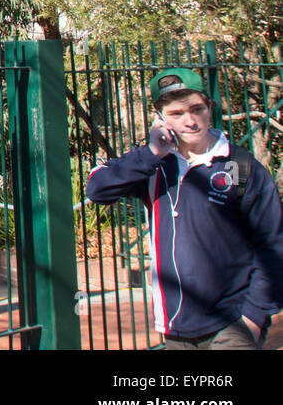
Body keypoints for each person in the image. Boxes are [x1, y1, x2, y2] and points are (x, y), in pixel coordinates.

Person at [85, 67, 283, 349]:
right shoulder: (154, 165)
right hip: (175, 326)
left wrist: (254, 316)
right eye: (177, 114)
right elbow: (97, 188)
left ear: (209, 107)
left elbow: (273, 243)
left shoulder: (237, 165)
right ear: (160, 117)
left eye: (196, 109)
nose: (190, 121)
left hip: (232, 323)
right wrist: (151, 153)